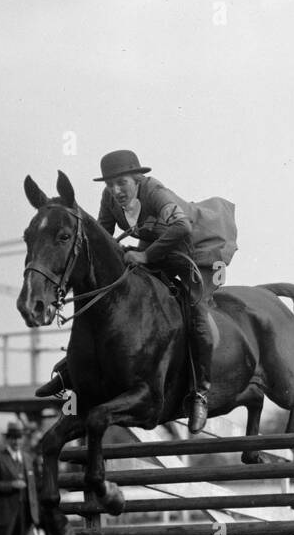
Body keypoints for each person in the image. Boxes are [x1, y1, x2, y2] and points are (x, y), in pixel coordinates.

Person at [35, 149, 218, 433]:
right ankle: (70, 370)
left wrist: (145, 256)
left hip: (187, 257)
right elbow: (102, 238)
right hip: (149, 257)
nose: (115, 191)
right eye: (110, 185)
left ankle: (199, 394)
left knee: (196, 314)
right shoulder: (109, 199)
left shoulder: (155, 192)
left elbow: (181, 226)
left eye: (121, 183)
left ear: (137, 179)